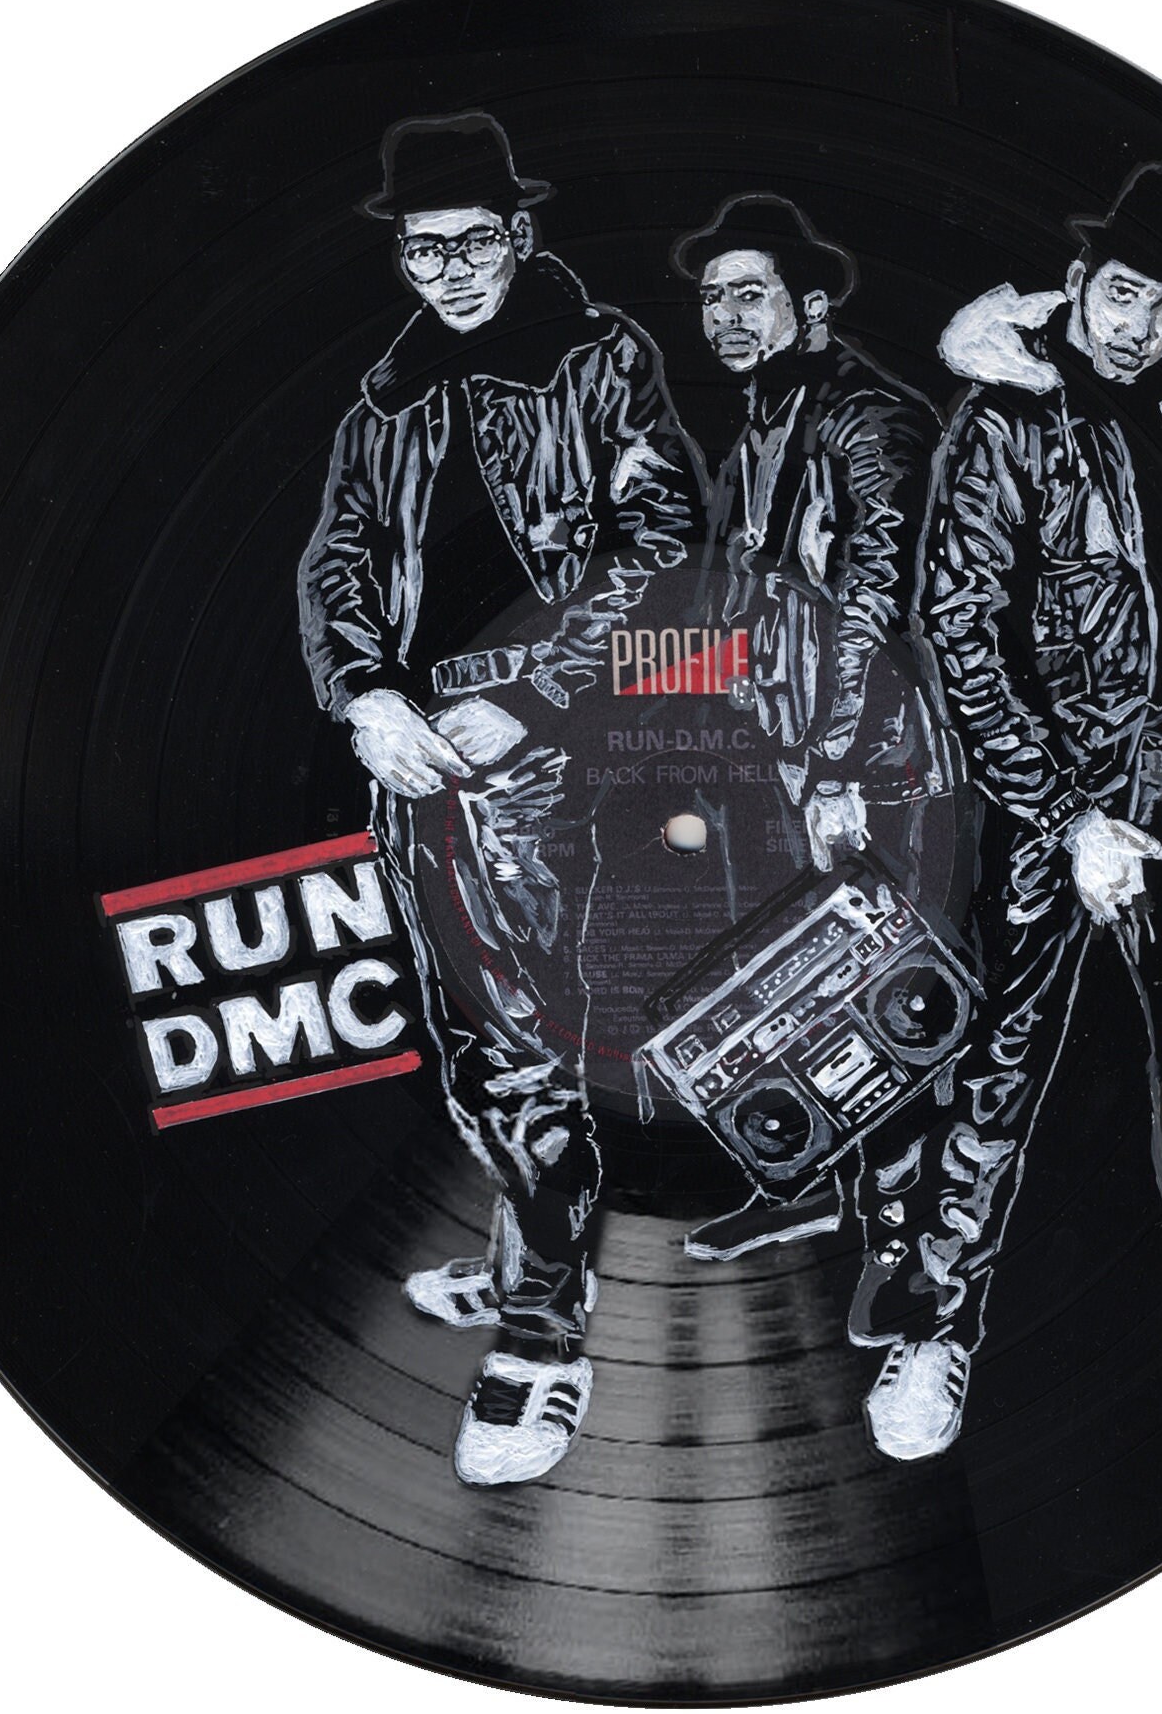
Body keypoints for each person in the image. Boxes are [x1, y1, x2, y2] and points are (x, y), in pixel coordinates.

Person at [853, 163, 1162, 1462]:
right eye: (1123, 295)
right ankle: (932, 1327)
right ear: (1078, 280)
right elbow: (958, 635)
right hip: (1040, 799)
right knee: (993, 1060)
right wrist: (1065, 815)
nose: (1139, 327)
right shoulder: (1005, 414)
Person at [297, 111, 700, 1486]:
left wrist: (532, 698)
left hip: (569, 750)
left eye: (474, 243)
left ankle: (540, 1344)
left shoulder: (600, 358)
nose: (452, 272)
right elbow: (339, 561)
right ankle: (534, 1247)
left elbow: (662, 547)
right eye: (426, 251)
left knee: (533, 1046)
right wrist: (366, 698)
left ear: (521, 237)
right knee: (479, 1043)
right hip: (420, 758)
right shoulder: (385, 404)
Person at [667, 193, 946, 1264]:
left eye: (751, 294)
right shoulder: (760, 420)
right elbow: (734, 599)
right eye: (712, 298)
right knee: (792, 983)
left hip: (862, 758)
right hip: (775, 753)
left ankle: (896, 1244)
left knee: (880, 984)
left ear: (812, 306)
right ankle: (804, 1186)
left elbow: (876, 602)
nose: (726, 316)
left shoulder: (870, 419)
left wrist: (835, 765)